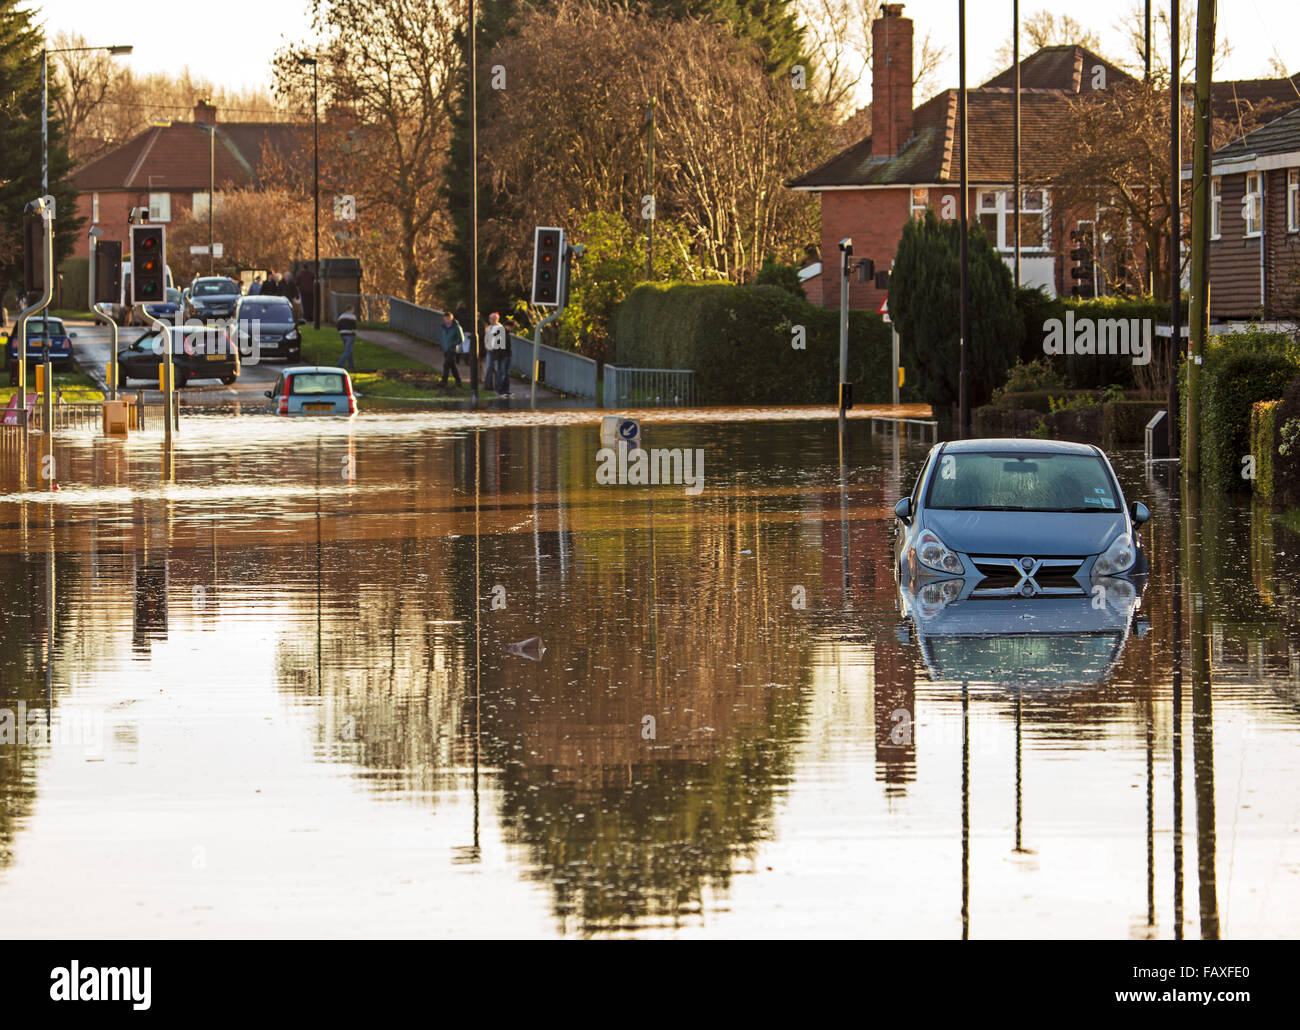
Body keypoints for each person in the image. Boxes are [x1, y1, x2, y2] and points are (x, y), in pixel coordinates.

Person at [484, 312, 509, 396]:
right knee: (488, 368)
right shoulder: (489, 327)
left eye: (492, 319)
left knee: (497, 369)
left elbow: (500, 341)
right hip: (490, 349)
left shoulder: (500, 328)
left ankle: (497, 386)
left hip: (496, 351)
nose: (490, 320)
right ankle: (488, 385)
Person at [438, 309, 464, 388]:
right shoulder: (443, 327)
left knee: (446, 365)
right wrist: (443, 344)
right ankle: (458, 381)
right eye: (444, 319)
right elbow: (442, 337)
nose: (445, 320)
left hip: (452, 350)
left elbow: (461, 338)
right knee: (452, 366)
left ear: (451, 318)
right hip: (446, 349)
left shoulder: (456, 327)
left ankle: (444, 381)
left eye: (447, 319)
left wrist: (453, 344)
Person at [336, 304, 357, 371]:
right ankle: (339, 364)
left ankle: (351, 365)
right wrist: (354, 333)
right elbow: (354, 326)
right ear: (351, 309)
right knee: (347, 351)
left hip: (342, 334)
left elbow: (338, 325)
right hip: (350, 334)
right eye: (353, 309)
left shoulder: (341, 316)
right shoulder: (352, 316)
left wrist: (340, 332)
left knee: (349, 350)